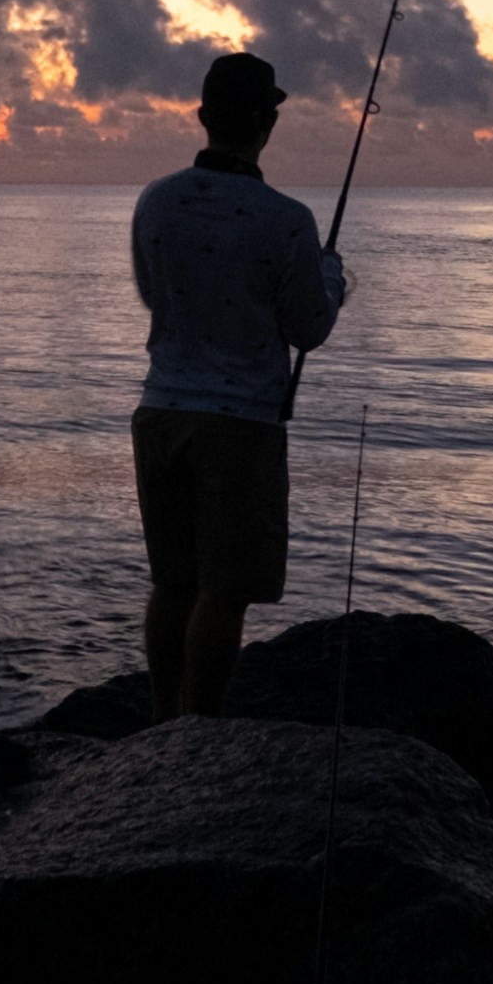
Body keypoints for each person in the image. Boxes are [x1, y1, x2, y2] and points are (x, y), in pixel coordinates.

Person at [128, 49, 347, 720]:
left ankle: (163, 721)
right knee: (223, 594)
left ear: (202, 116)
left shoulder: (156, 201)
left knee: (172, 583)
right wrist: (332, 278)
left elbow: (152, 295)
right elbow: (309, 328)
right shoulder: (285, 219)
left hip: (160, 413)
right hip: (242, 425)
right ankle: (199, 731)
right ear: (265, 123)